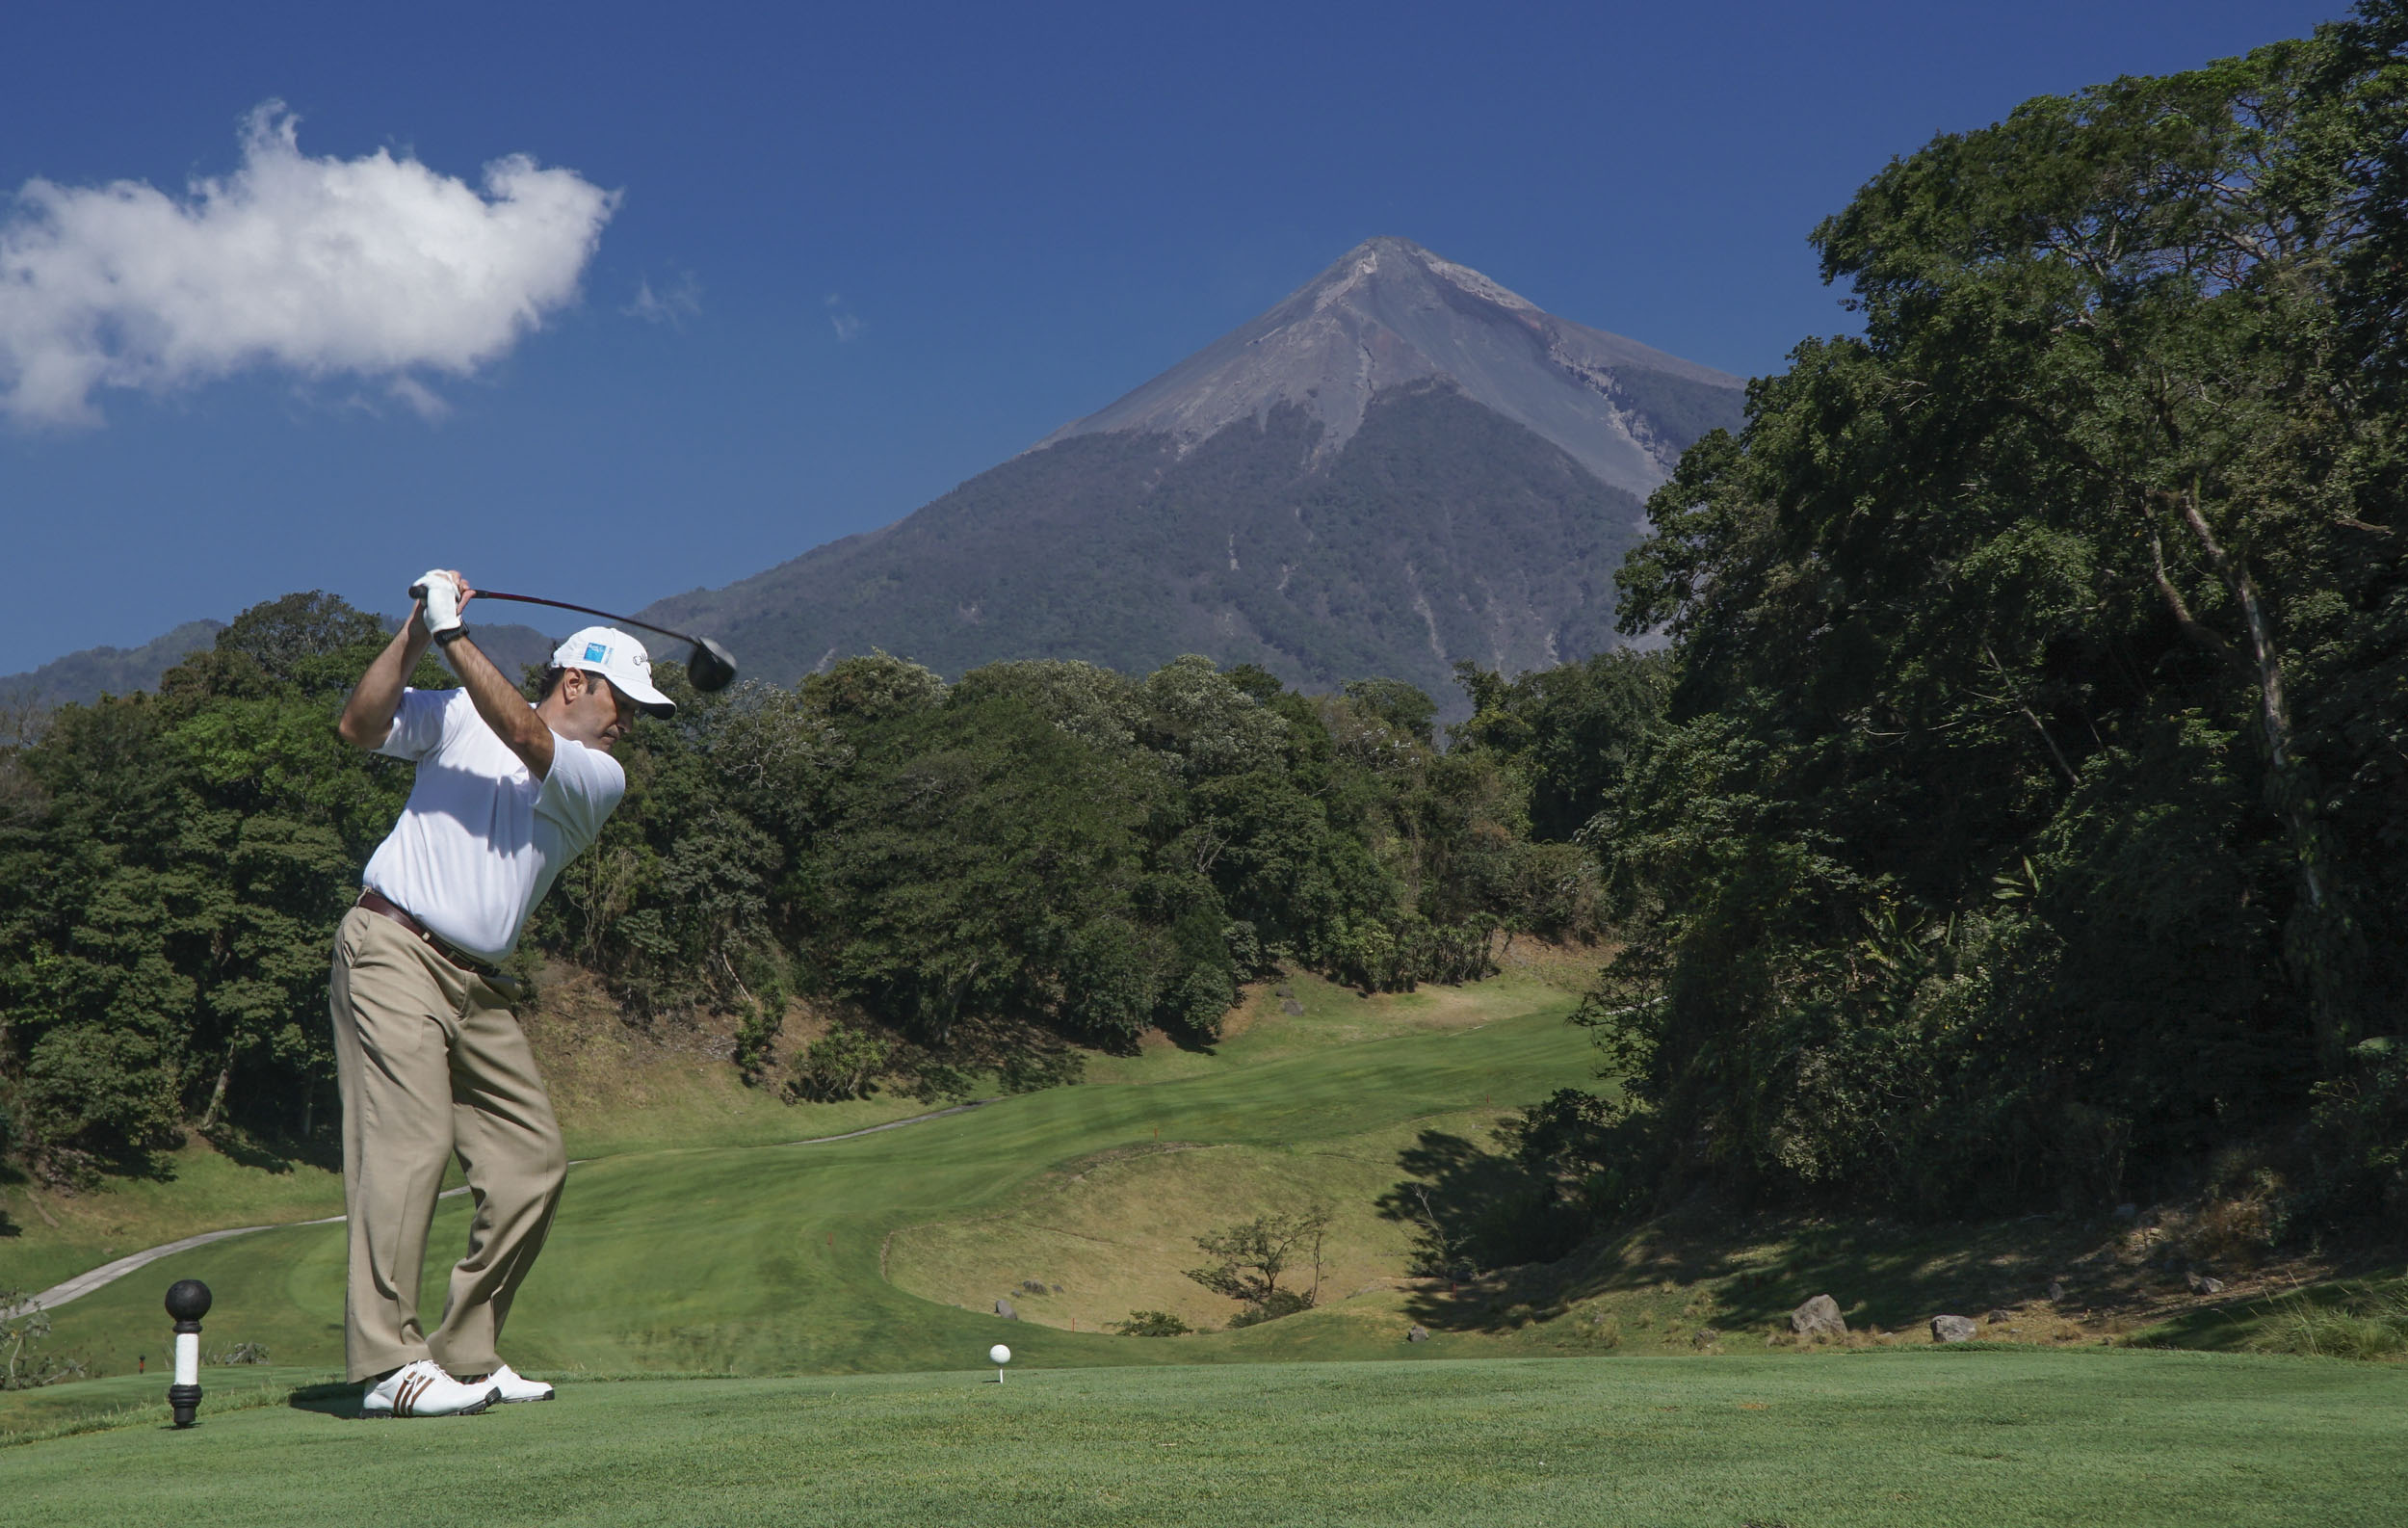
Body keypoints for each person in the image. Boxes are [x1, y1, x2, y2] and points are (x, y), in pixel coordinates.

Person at [329, 568, 673, 1417]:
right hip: (391, 949)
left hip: (475, 984)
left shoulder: (598, 776)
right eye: (621, 700)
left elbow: (521, 731)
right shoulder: (455, 719)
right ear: (578, 681)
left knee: (531, 1162)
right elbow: (359, 724)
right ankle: (387, 1365)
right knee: (409, 1144)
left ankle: (467, 1354)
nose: (628, 721)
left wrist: (452, 637)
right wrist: (417, 629)